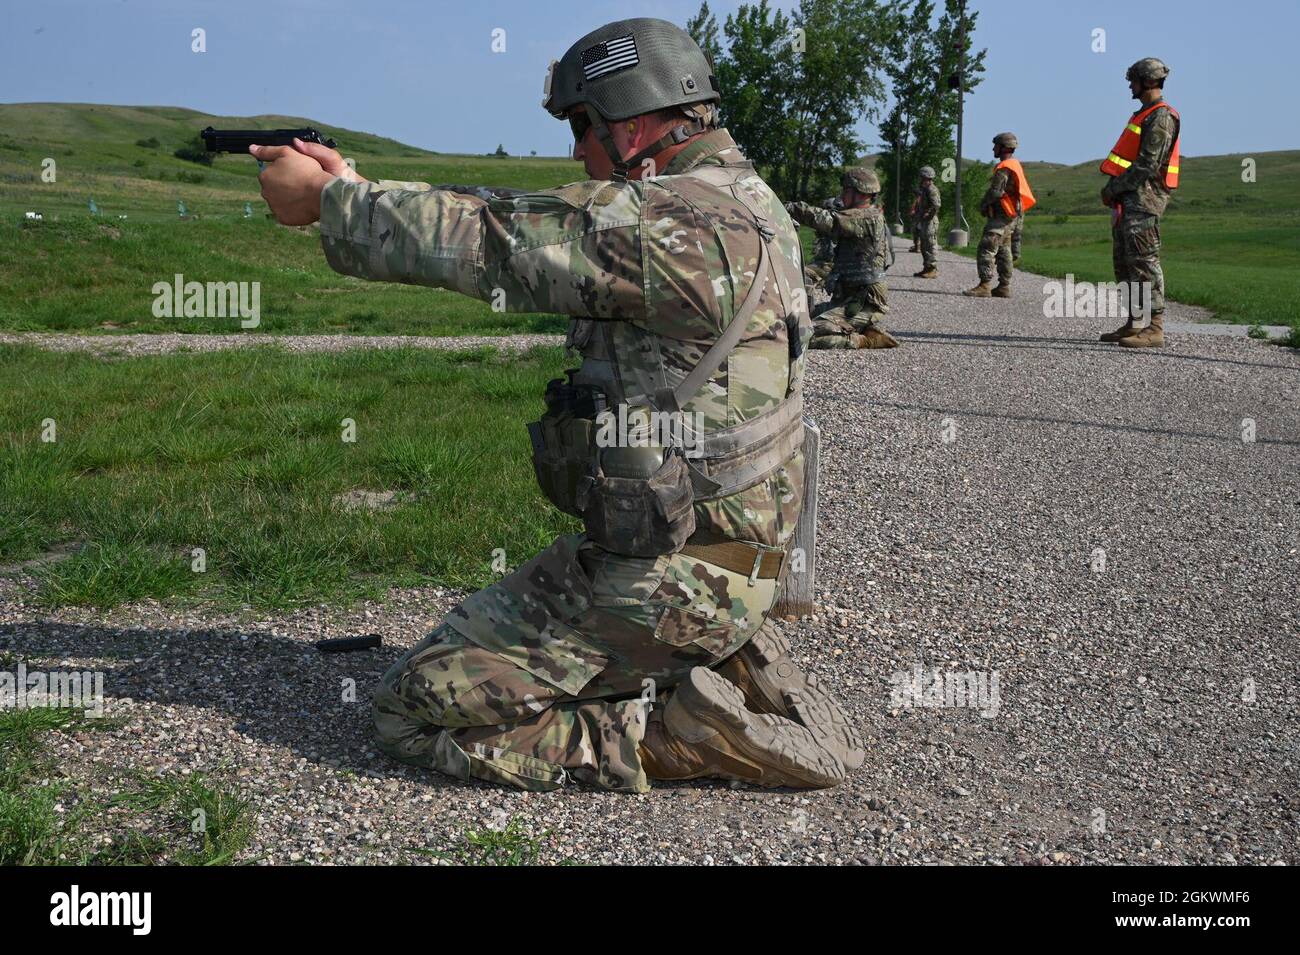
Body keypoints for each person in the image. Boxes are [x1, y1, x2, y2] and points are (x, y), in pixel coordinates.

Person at [251, 17, 863, 792]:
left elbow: (493, 241)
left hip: (674, 577)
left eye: (584, 126)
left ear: (634, 124)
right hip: (739, 556)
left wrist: (332, 205)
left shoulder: (669, 227)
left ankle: (670, 732)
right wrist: (354, 184)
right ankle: (709, 656)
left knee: (413, 707)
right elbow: (519, 213)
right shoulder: (748, 203)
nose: (578, 151)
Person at [1099, 57, 1181, 348]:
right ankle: (1135, 322)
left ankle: (1155, 327)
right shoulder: (1144, 114)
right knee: (1125, 262)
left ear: (1148, 82)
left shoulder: (1161, 116)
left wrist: (1113, 188)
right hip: (1129, 199)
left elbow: (1147, 165)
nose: (1130, 86)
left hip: (1145, 200)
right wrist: (1116, 190)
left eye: (1133, 80)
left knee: (1144, 262)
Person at [786, 167, 898, 349]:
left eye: (846, 190)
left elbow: (824, 219)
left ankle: (862, 339)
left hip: (865, 303)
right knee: (797, 320)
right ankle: (859, 328)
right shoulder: (860, 215)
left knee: (801, 336)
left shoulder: (865, 218)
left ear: (860, 193)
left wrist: (789, 208)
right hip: (848, 299)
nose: (842, 195)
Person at [963, 132, 1035, 298]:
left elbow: (995, 192)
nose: (993, 148)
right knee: (1004, 250)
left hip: (1001, 216)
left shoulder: (1004, 168)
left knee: (986, 247)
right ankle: (1004, 286)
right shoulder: (1016, 165)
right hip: (1013, 216)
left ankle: (985, 285)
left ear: (1003, 148)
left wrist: (983, 204)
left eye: (996, 145)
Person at [912, 165, 941, 279]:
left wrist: (929, 215)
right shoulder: (925, 189)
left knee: (930, 244)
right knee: (924, 245)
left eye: (922, 177)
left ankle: (932, 269)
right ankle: (927, 267)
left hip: (930, 221)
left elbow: (936, 205)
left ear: (926, 177)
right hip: (924, 221)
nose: (920, 179)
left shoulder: (931, 189)